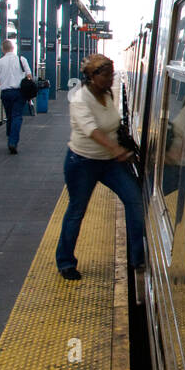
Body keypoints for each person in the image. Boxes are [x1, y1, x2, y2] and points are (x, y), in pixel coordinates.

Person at [56, 54, 146, 281]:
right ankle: (65, 262)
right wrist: (115, 149)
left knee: (135, 199)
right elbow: (92, 130)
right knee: (77, 210)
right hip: (82, 163)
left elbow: (112, 126)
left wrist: (124, 148)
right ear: (92, 76)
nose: (110, 80)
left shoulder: (107, 94)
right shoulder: (79, 99)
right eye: (106, 76)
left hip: (109, 164)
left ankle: (139, 257)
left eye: (112, 75)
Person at [0, 39, 33, 154]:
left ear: (3, 49)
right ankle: (13, 141)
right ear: (13, 48)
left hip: (6, 93)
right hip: (19, 93)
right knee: (17, 116)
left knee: (9, 116)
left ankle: (10, 136)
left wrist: (1, 84)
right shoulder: (21, 59)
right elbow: (29, 75)